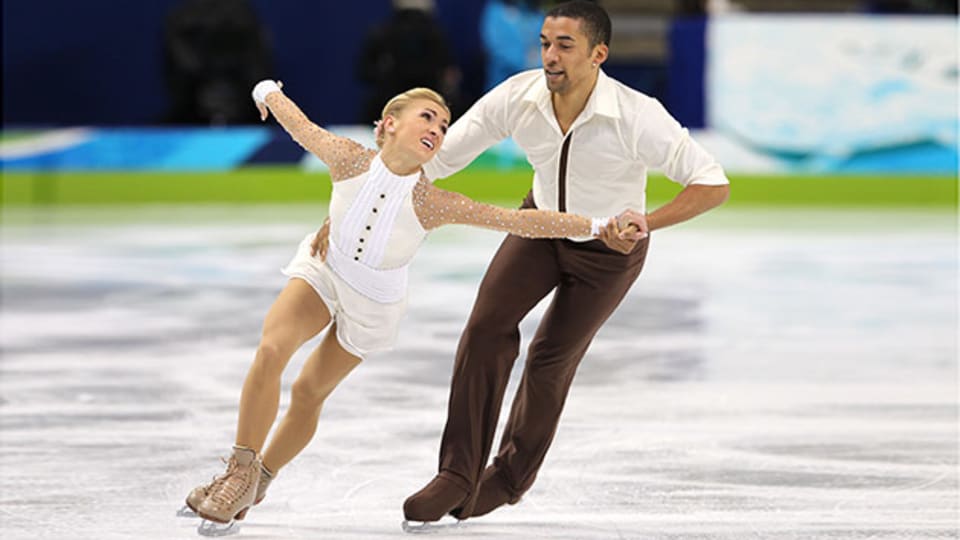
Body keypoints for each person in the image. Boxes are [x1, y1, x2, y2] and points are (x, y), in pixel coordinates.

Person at [312, 0, 730, 525]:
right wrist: (356, 205)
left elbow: (712, 183)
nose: (550, 56)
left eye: (565, 46)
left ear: (598, 54)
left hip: (609, 253)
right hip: (539, 229)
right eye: (545, 44)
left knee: (550, 358)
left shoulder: (636, 115)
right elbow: (436, 159)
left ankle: (508, 479)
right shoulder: (520, 96)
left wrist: (646, 221)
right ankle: (456, 475)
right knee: (485, 328)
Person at [180, 78, 644, 536]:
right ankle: (238, 474)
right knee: (271, 350)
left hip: (372, 304)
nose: (437, 130)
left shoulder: (431, 202)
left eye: (443, 125)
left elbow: (517, 220)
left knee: (308, 392)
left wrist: (598, 225)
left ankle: (260, 480)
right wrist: (266, 91)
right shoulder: (347, 158)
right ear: (389, 124)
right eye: (427, 117)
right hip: (325, 271)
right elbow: (300, 126)